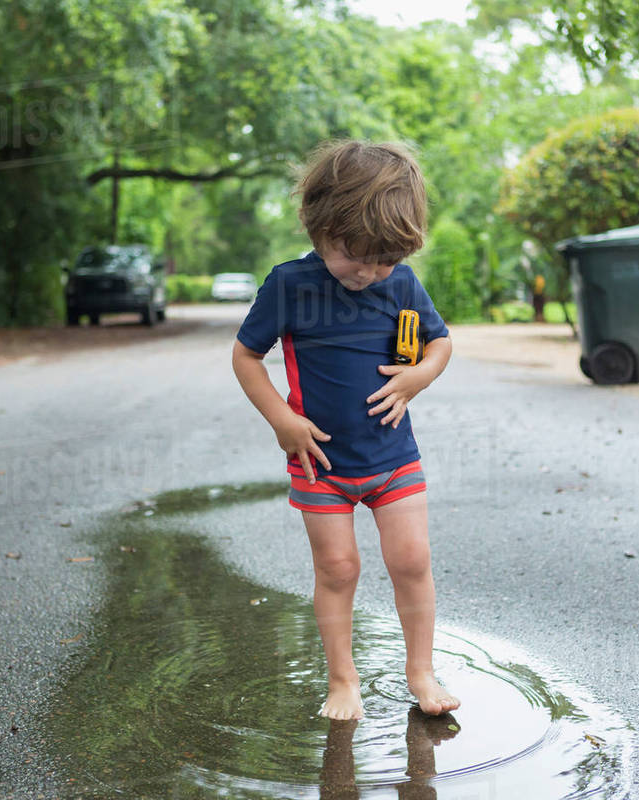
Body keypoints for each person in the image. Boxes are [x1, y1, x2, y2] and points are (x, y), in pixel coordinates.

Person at [231, 140, 460, 722]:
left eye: (385, 259)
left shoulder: (401, 284)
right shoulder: (289, 286)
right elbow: (245, 357)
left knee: (412, 559)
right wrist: (282, 420)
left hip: (393, 454)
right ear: (321, 227)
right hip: (321, 463)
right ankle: (342, 678)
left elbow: (440, 342)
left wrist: (417, 379)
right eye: (357, 256)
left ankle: (421, 671)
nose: (371, 272)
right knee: (338, 569)